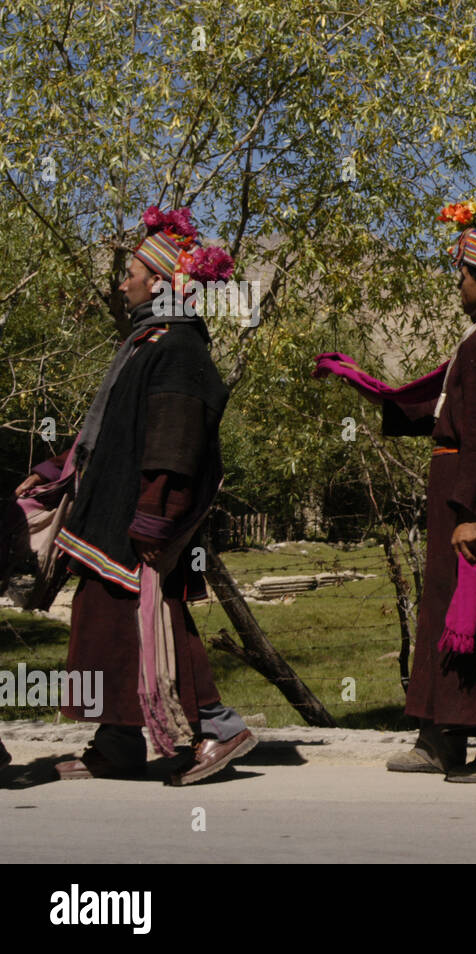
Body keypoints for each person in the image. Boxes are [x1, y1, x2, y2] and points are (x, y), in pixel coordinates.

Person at [24, 206, 256, 784]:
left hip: (142, 522)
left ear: (157, 281)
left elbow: (175, 445)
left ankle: (218, 728)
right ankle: (119, 741)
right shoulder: (146, 341)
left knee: (155, 623)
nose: (122, 280)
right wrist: (57, 467)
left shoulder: (178, 348)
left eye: (131, 271)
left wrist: (157, 520)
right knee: (102, 624)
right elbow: (112, 431)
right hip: (113, 517)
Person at [323, 201, 476, 782]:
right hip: (460, 491)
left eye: (464, 276)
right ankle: (441, 736)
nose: (459, 285)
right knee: (447, 614)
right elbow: (442, 411)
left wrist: (472, 512)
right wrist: (367, 387)